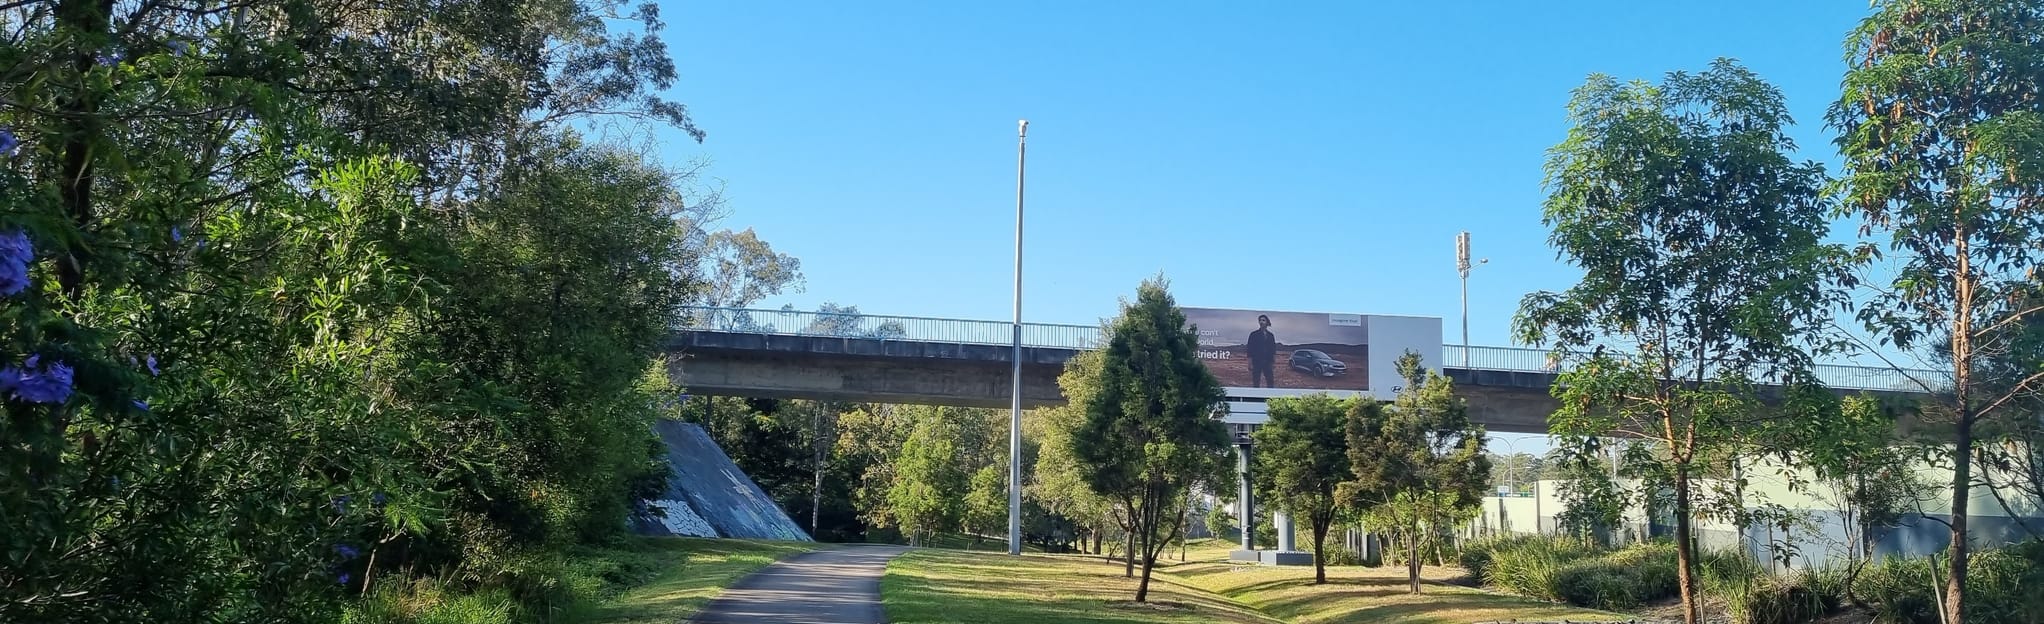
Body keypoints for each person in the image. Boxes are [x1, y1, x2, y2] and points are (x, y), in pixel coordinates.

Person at [1247, 314, 1277, 388]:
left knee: (1270, 380)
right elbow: (1249, 349)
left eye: (1263, 320)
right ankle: (1256, 397)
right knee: (1256, 381)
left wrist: (1273, 362)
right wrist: (1250, 363)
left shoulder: (1270, 335)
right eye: (1260, 320)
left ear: (1267, 322)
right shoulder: (1254, 334)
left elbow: (1273, 349)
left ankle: (1270, 397)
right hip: (1257, 361)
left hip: (1268, 361)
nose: (1261, 322)